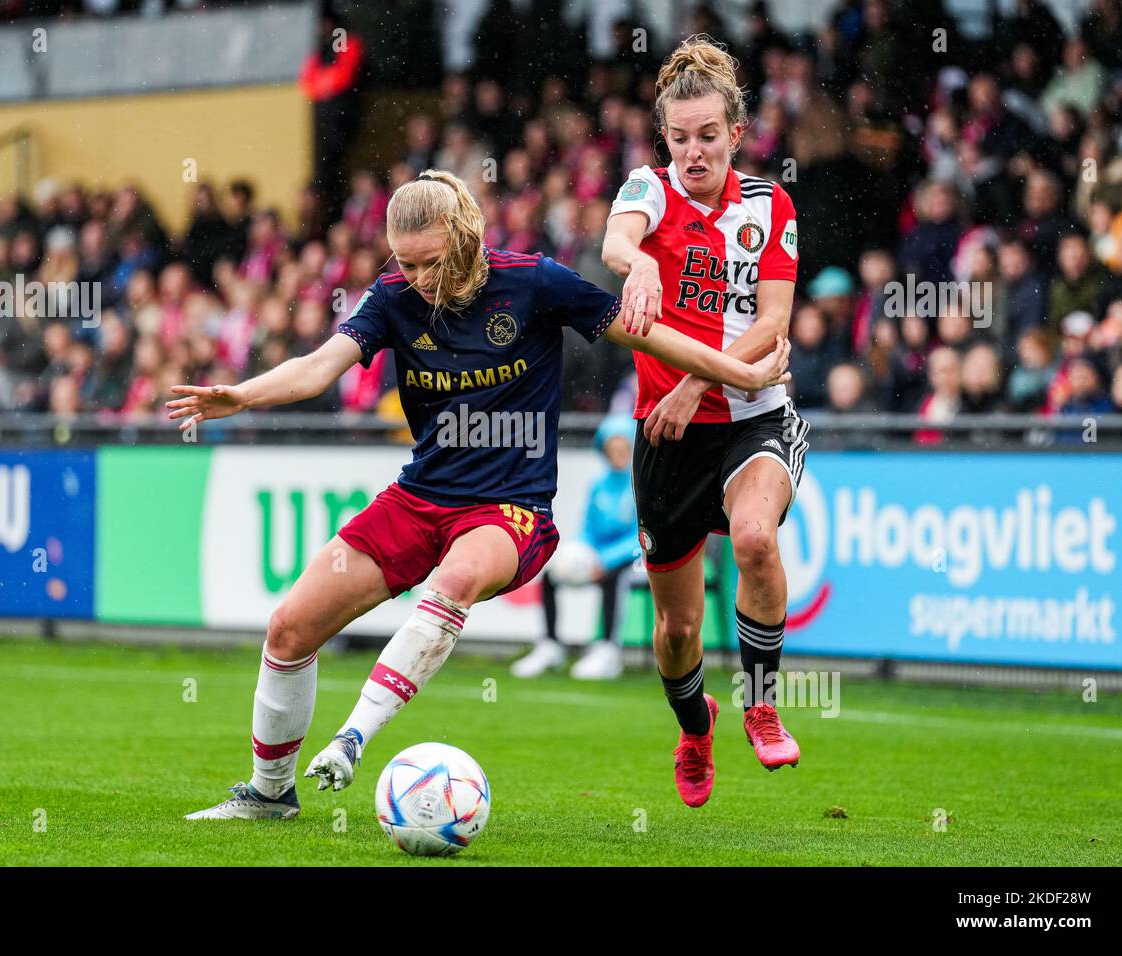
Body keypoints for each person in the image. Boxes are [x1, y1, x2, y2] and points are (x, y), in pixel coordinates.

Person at [167, 169, 791, 819]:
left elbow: (648, 337)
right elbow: (321, 364)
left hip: (511, 510)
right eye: (403, 263)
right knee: (290, 626)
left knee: (457, 577)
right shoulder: (392, 298)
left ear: (464, 237)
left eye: (429, 262)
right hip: (420, 498)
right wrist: (241, 394)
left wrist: (737, 371)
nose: (416, 278)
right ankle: (270, 795)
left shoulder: (534, 282)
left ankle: (354, 738)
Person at [602, 34, 806, 810]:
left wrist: (694, 378)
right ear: (665, 138)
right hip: (667, 436)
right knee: (677, 631)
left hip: (753, 414)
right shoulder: (647, 191)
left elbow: (775, 323)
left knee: (755, 538)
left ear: (737, 133)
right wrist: (640, 261)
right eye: (680, 137)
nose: (694, 152)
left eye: (708, 136)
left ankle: (759, 701)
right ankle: (696, 727)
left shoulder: (770, 205)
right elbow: (615, 238)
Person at [512, 415, 641, 681]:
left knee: (614, 577)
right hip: (598, 558)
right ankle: (550, 645)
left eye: (623, 447)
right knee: (550, 577)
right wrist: (581, 551)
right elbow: (588, 529)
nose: (617, 454)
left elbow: (639, 535)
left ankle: (607, 650)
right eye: (612, 448)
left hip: (636, 560)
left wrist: (602, 561)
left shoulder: (639, 483)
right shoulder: (599, 485)